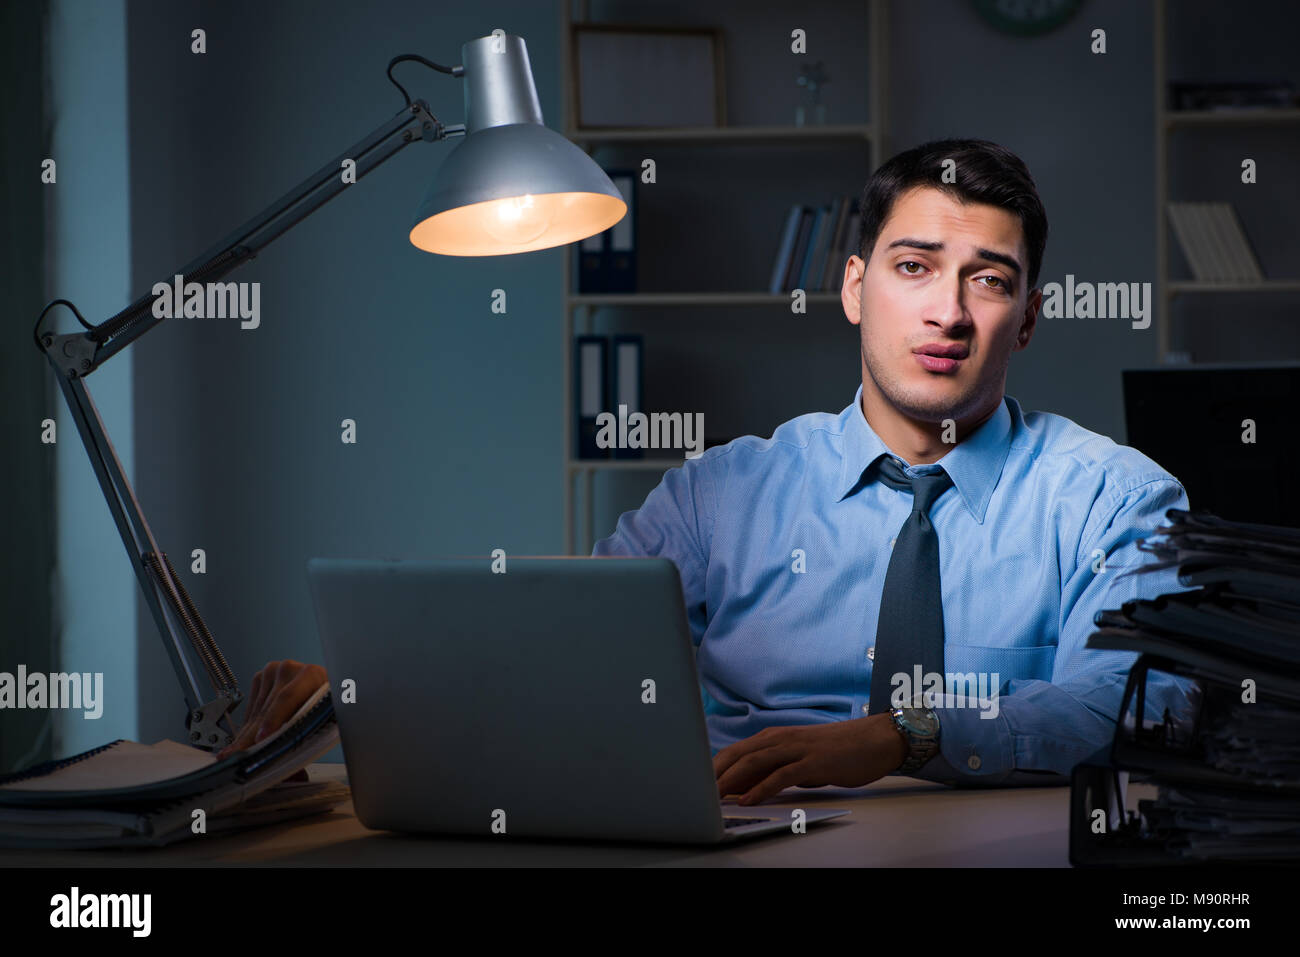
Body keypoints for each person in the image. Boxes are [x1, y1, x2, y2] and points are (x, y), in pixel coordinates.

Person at [225, 139, 1198, 805]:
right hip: (739, 843)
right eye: (912, 266)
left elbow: (1140, 699)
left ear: (1025, 318)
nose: (947, 310)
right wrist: (375, 688)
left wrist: (905, 733)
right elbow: (569, 655)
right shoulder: (718, 494)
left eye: (987, 280)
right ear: (853, 288)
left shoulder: (1118, 499)